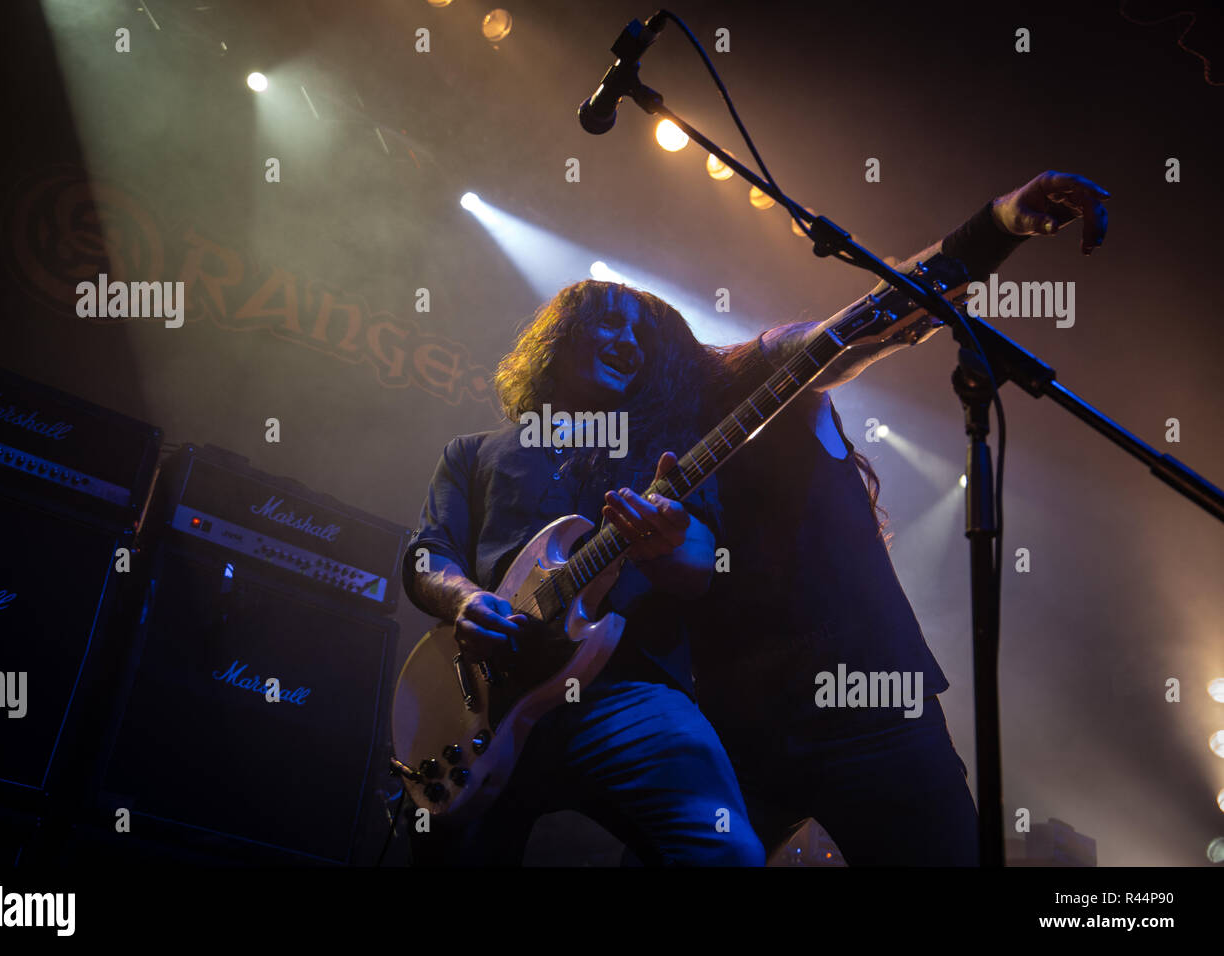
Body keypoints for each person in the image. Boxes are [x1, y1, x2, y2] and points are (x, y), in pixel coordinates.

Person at [690, 170, 1111, 865]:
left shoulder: (742, 374)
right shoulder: (609, 460)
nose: (616, 339)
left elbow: (869, 321)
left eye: (628, 320)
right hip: (736, 723)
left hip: (872, 706)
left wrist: (996, 224)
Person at [400, 280, 765, 865]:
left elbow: (699, 566)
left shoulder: (667, 454)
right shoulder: (472, 452)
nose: (631, 344)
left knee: (724, 853)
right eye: (612, 325)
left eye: (641, 337)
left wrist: (663, 546)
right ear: (558, 337)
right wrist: (465, 600)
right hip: (481, 703)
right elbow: (428, 554)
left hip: (624, 691)